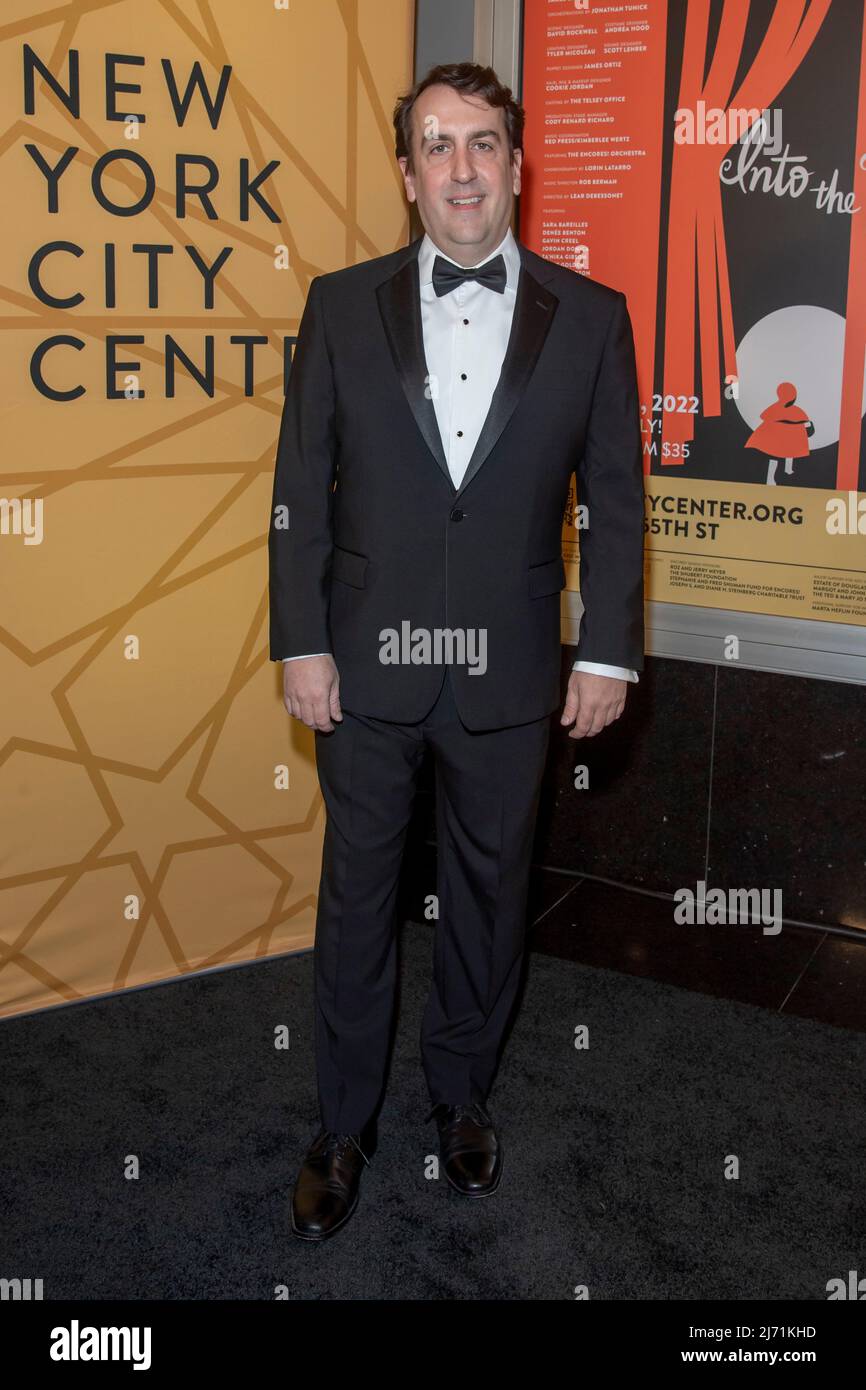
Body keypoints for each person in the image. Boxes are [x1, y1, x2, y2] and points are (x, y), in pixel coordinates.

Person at [268, 61, 645, 1241]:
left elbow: (620, 505)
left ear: (517, 168)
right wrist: (300, 642)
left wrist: (608, 653)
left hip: (511, 666)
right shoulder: (338, 305)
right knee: (356, 901)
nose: (462, 167)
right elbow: (298, 497)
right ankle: (341, 1123)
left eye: (483, 143)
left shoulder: (591, 318)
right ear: (406, 175)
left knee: (489, 899)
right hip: (362, 668)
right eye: (437, 145)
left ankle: (462, 1096)